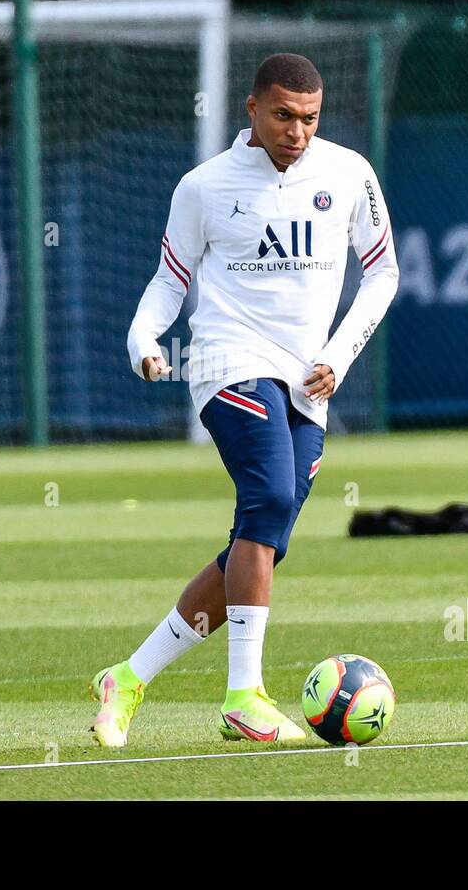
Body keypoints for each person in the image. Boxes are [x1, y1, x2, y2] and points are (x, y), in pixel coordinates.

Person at [89, 52, 399, 746]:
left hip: (310, 378)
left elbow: (383, 274)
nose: (298, 131)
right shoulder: (204, 185)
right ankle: (244, 696)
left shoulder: (349, 173)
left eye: (310, 118)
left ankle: (128, 677)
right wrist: (144, 341)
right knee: (268, 502)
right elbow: (168, 282)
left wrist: (338, 355)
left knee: (260, 546)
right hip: (227, 362)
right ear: (252, 110)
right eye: (284, 115)